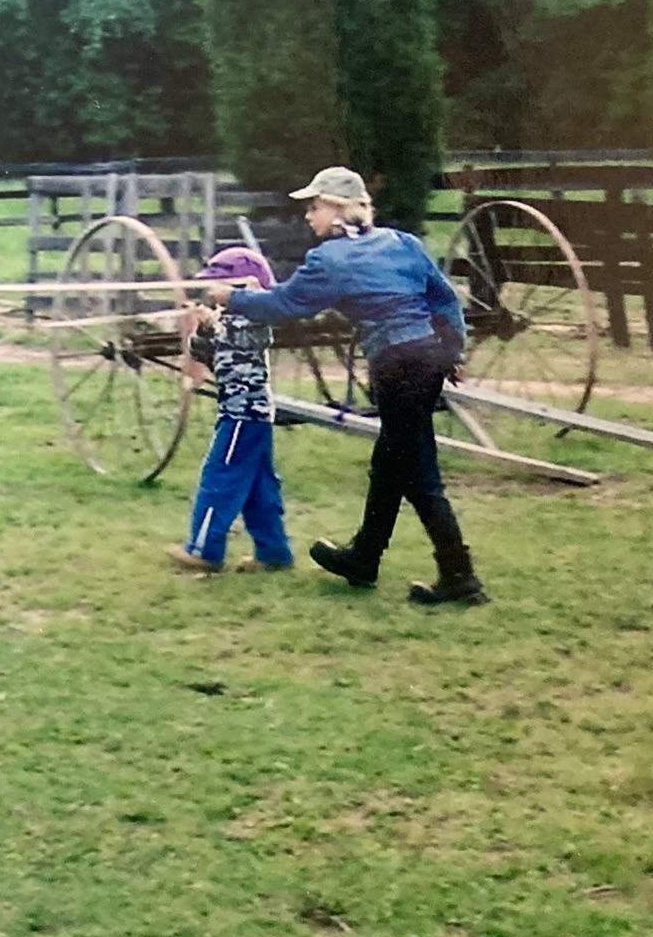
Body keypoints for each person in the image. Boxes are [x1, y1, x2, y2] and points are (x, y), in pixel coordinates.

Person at [205, 165, 485, 606]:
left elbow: (285, 305)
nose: (308, 216)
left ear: (337, 210)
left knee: (419, 474)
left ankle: (460, 576)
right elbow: (444, 299)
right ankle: (364, 558)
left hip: (396, 369)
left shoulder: (329, 260)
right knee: (390, 465)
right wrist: (453, 353)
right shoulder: (402, 242)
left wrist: (231, 298)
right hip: (427, 362)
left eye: (314, 207)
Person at [166, 247, 294, 575]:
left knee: (220, 475)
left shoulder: (256, 316)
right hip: (245, 414)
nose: (211, 292)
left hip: (244, 413)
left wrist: (223, 318)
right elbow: (205, 354)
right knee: (259, 486)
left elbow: (249, 336)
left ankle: (204, 549)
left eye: (218, 285)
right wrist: (205, 328)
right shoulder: (230, 318)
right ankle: (274, 551)